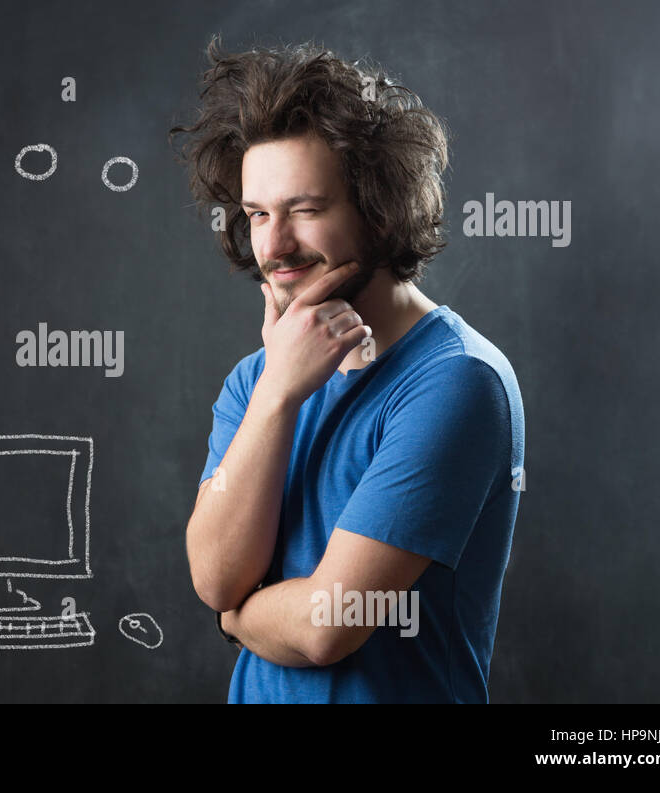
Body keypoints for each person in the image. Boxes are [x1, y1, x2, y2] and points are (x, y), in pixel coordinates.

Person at [171, 38, 525, 703]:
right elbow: (215, 578)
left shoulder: (457, 380)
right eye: (257, 215)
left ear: (379, 209)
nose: (273, 246)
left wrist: (236, 620)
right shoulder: (257, 382)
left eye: (305, 210)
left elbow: (328, 626)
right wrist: (278, 392)